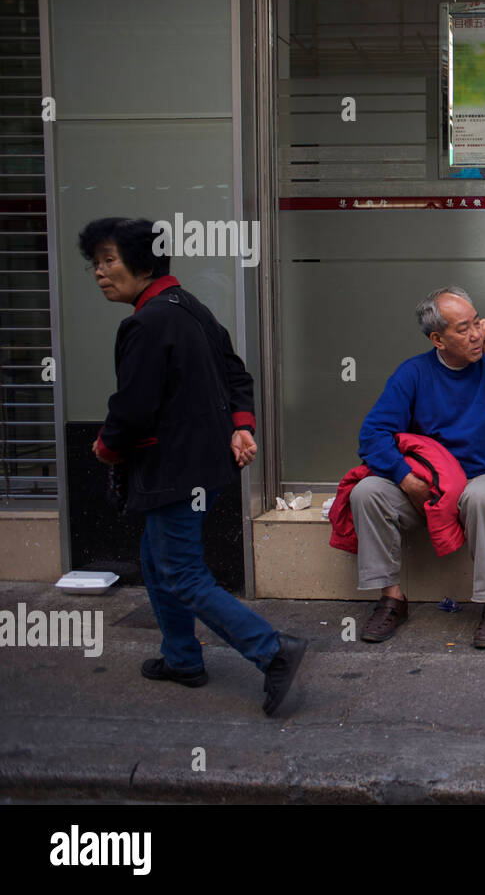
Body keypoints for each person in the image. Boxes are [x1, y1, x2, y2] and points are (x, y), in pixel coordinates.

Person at [84, 217, 307, 716]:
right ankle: (182, 658)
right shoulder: (190, 307)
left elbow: (133, 406)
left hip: (172, 470)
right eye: (95, 263)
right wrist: (241, 425)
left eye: (109, 260)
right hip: (201, 467)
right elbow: (236, 374)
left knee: (181, 573)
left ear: (143, 261)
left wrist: (107, 446)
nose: (99, 272)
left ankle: (273, 651)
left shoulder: (144, 323)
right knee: (155, 561)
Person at [351, 286, 485, 648]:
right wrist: (406, 479)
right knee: (367, 492)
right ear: (438, 338)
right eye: (463, 328)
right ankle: (392, 599)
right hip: (430, 486)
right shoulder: (413, 373)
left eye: (477, 324)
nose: (475, 335)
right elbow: (372, 434)